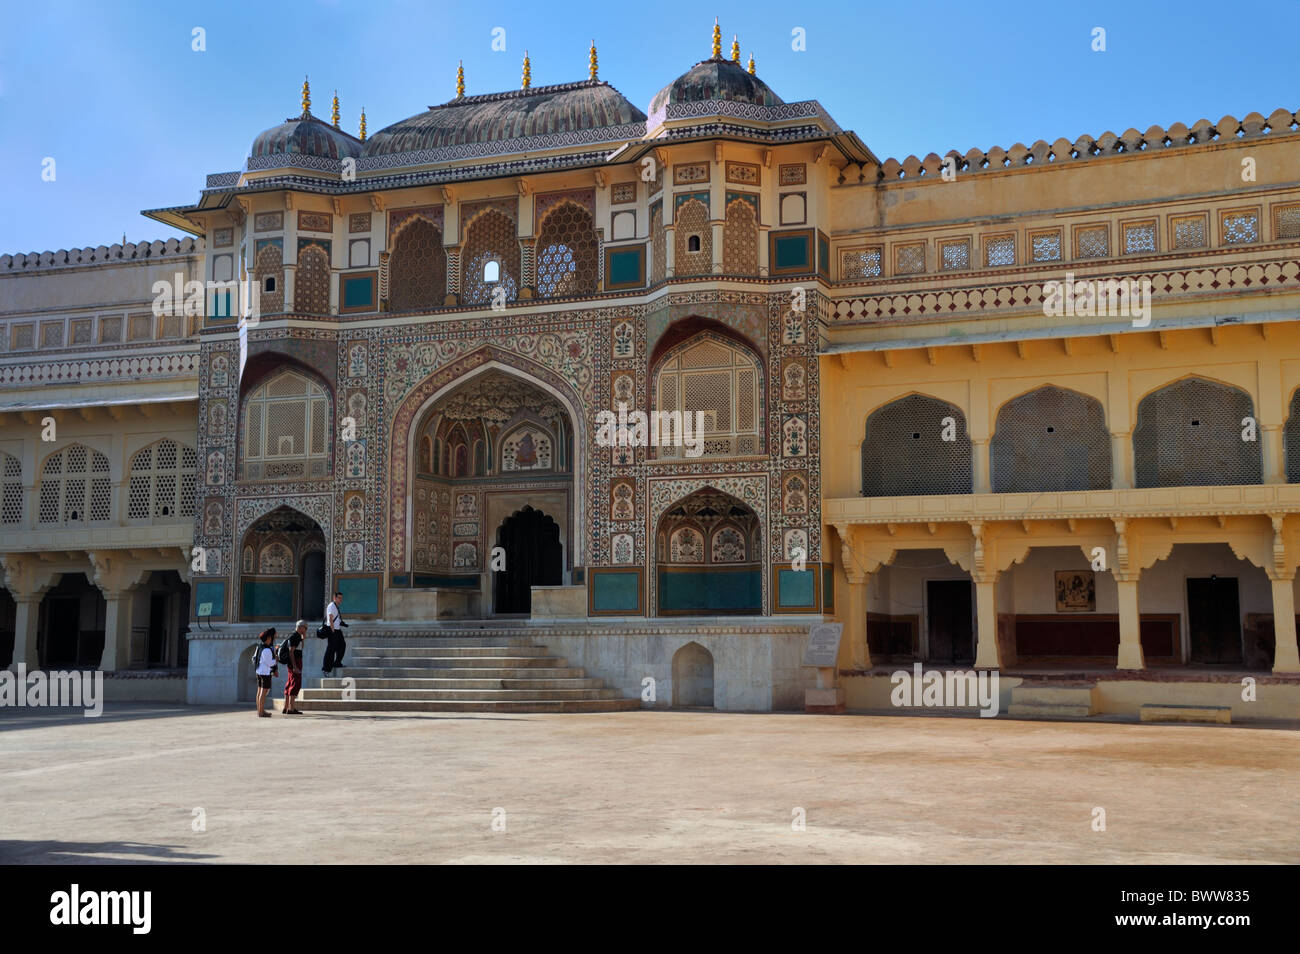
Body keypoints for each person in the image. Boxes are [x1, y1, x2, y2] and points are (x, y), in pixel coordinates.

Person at [283, 621, 308, 714]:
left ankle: (286, 707)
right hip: (295, 663)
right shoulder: (295, 636)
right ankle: (291, 708)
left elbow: (301, 648)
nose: (306, 630)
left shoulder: (296, 636)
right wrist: (294, 666)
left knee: (290, 683)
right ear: (301, 627)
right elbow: (291, 651)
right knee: (295, 683)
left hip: (294, 663)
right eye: (305, 628)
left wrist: (303, 638)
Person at [254, 628, 278, 718]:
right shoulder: (267, 649)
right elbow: (270, 663)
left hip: (259, 671)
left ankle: (260, 710)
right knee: (263, 693)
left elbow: (255, 658)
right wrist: (276, 658)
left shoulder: (259, 646)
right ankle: (261, 712)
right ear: (268, 638)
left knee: (259, 691)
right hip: (264, 673)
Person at [323, 591, 347, 674]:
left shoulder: (336, 606)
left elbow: (337, 618)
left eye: (341, 598)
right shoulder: (331, 606)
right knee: (331, 649)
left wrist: (342, 623)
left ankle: (337, 662)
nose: (340, 600)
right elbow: (330, 617)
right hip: (333, 630)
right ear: (334, 598)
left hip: (337, 630)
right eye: (339, 598)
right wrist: (332, 630)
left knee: (342, 645)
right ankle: (326, 668)